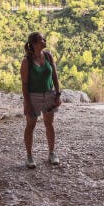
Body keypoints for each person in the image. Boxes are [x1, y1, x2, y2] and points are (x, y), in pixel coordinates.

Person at [21, 31, 62, 168]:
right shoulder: (27, 61)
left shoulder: (48, 56)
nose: (44, 41)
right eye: (41, 40)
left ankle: (52, 153)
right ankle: (29, 157)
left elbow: (55, 76)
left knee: (49, 124)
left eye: (44, 39)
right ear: (33, 44)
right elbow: (24, 84)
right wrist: (27, 104)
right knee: (31, 125)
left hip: (49, 94)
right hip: (33, 96)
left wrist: (57, 94)